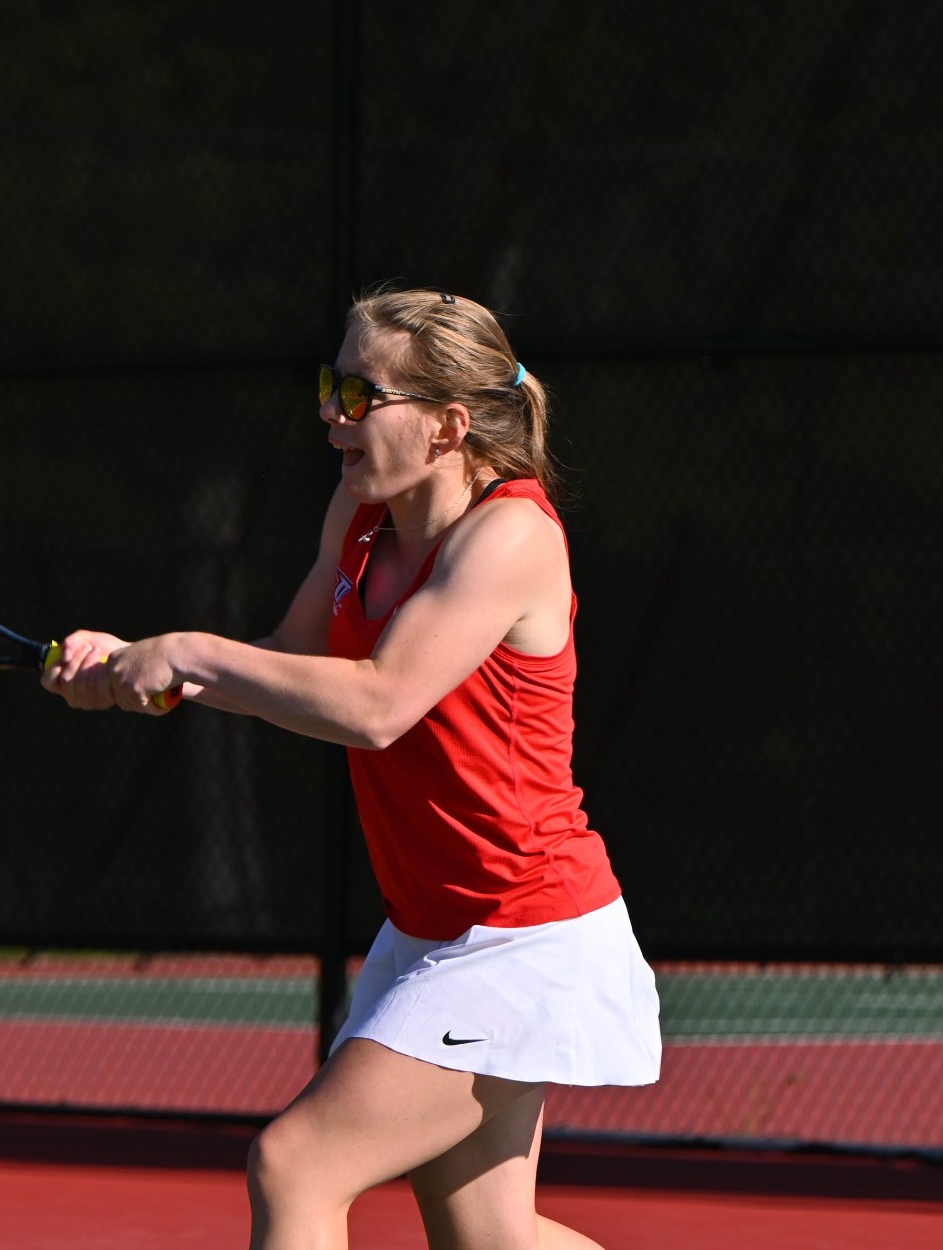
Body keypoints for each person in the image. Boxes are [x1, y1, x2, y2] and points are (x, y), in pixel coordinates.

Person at [43, 286, 661, 1250]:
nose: (333, 414)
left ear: (449, 426)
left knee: (296, 1165)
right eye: (331, 385)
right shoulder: (361, 514)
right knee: (493, 1240)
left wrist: (191, 652)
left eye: (362, 395)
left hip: (525, 932)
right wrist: (137, 670)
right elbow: (290, 660)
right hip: (431, 926)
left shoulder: (511, 536)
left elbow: (376, 705)